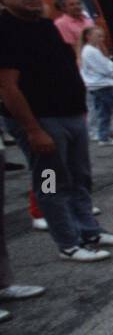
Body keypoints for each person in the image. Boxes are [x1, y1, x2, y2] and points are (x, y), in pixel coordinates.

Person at [0, 0, 113, 261]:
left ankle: (90, 230)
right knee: (50, 180)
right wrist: (33, 129)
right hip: (41, 119)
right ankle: (68, 242)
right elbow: (8, 86)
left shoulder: (45, 26)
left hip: (70, 113)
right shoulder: (6, 31)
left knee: (79, 177)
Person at [0, 137, 47, 323]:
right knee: (47, 172)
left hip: (65, 119)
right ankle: (42, 210)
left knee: (62, 171)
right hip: (45, 127)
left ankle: (58, 207)